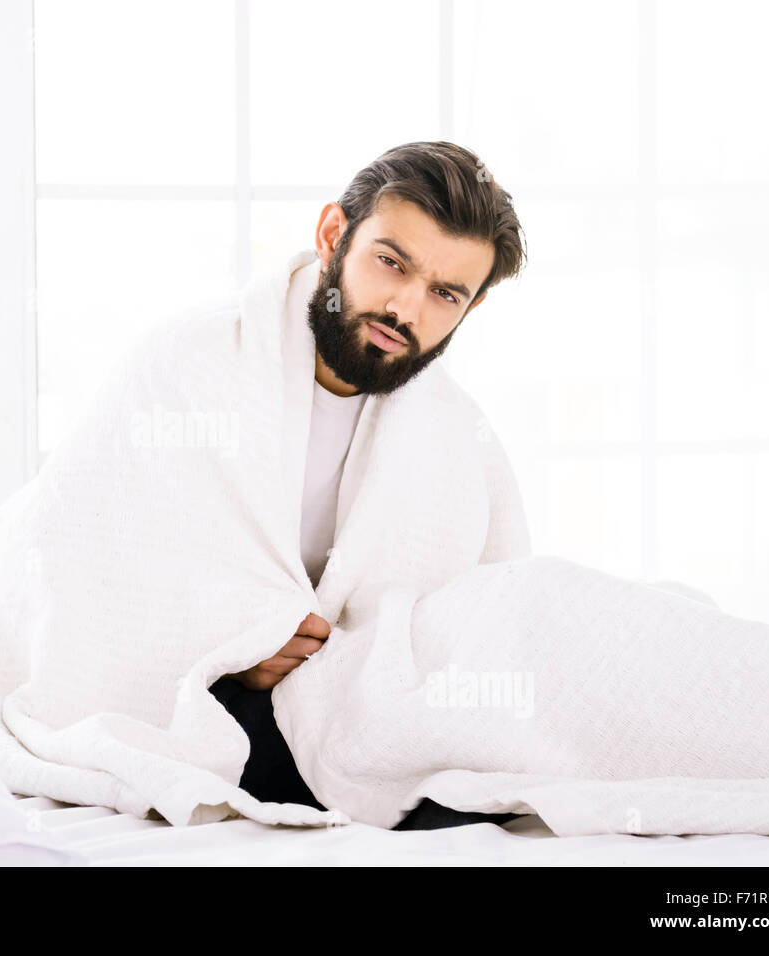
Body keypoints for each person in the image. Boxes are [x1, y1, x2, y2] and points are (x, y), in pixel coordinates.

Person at [208, 141, 530, 831]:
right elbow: (98, 590)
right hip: (222, 701)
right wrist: (229, 646)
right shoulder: (193, 370)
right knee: (437, 801)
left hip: (367, 701)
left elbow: (492, 621)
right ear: (333, 236)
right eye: (392, 263)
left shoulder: (460, 439)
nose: (405, 309)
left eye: (446, 294)